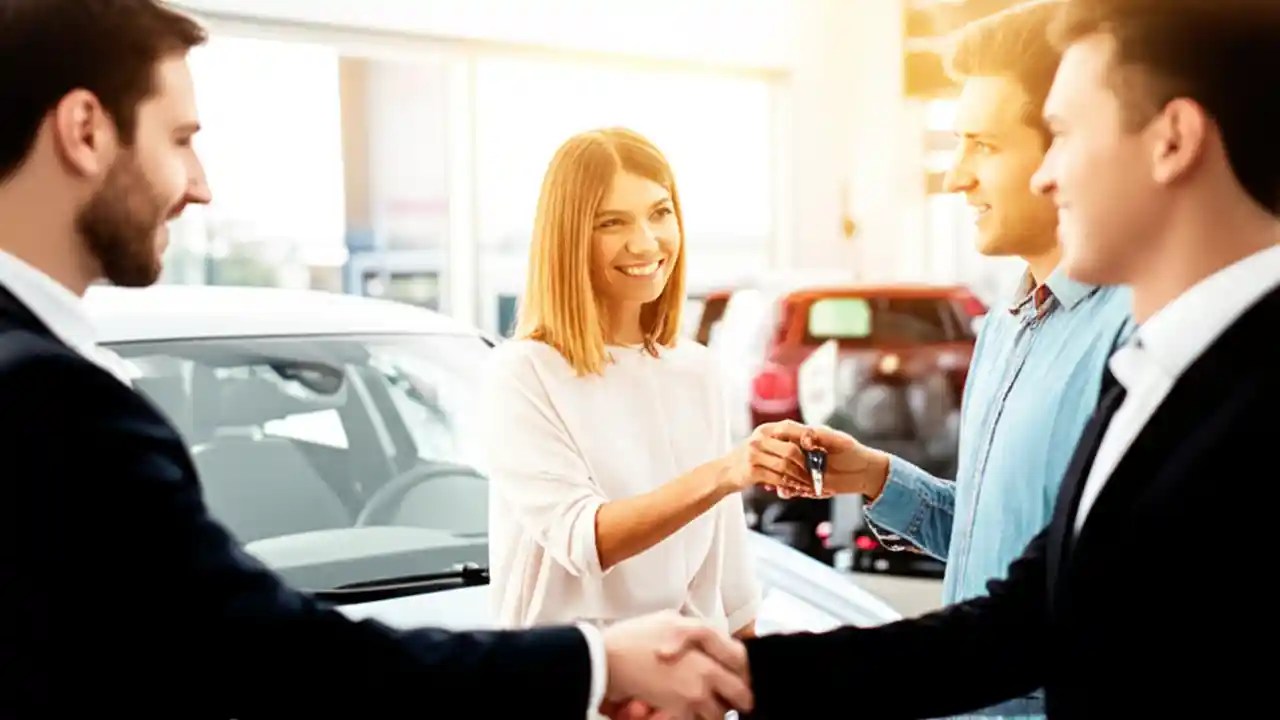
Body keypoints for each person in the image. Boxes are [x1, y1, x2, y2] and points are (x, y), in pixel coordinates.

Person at [0, 3, 755, 718]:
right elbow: (272, 653)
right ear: (85, 131)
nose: (201, 185)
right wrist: (599, 666)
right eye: (180, 138)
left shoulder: (46, 379)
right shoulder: (49, 398)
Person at [734, 0, 1280, 717]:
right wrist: (877, 479)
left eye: (1056, 134)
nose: (1048, 177)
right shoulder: (1075, 343)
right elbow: (1027, 592)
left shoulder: (1181, 359)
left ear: (1172, 139)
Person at [776, 2, 1130, 715]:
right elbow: (995, 549)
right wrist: (877, 477)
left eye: (982, 145)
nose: (954, 177)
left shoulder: (1132, 339)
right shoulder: (1004, 329)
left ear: (1063, 147)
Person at [481, 127, 812, 641]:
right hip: (577, 688)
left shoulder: (696, 370)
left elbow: (727, 580)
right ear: (569, 238)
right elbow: (585, 541)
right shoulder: (524, 374)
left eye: (660, 213)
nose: (645, 242)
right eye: (612, 222)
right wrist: (726, 472)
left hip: (682, 691)